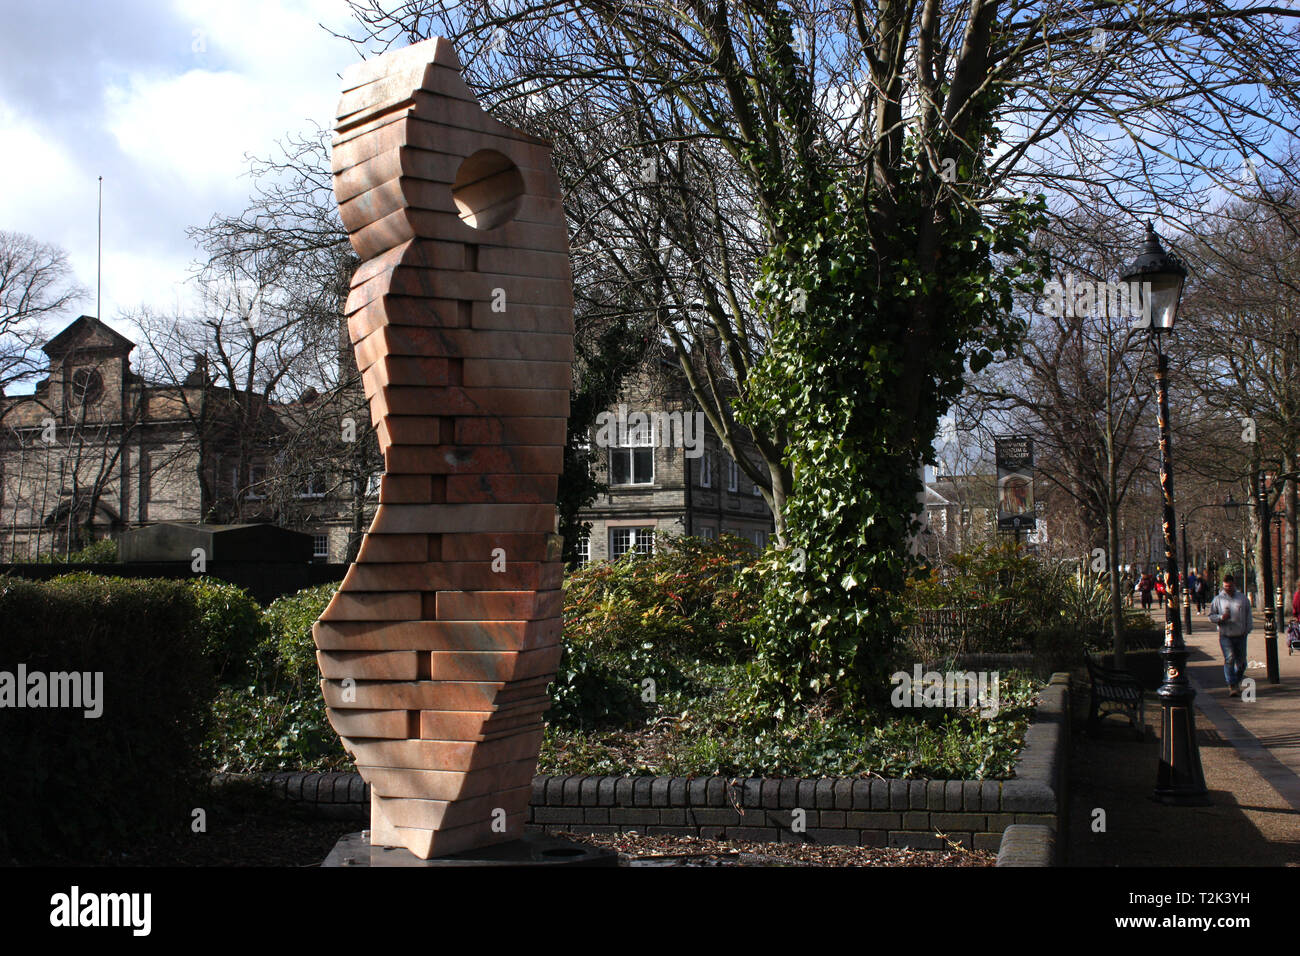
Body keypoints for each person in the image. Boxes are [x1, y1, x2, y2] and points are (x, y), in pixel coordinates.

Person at [1208, 573, 1254, 697]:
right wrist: (1220, 617)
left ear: (1234, 585)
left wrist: (1248, 629)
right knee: (1230, 658)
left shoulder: (1242, 599)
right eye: (1226, 587)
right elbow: (1211, 616)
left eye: (1230, 586)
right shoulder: (1218, 599)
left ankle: (1236, 680)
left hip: (1240, 634)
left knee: (1242, 663)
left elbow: (1248, 615)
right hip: (1225, 634)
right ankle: (1232, 685)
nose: (1228, 589)